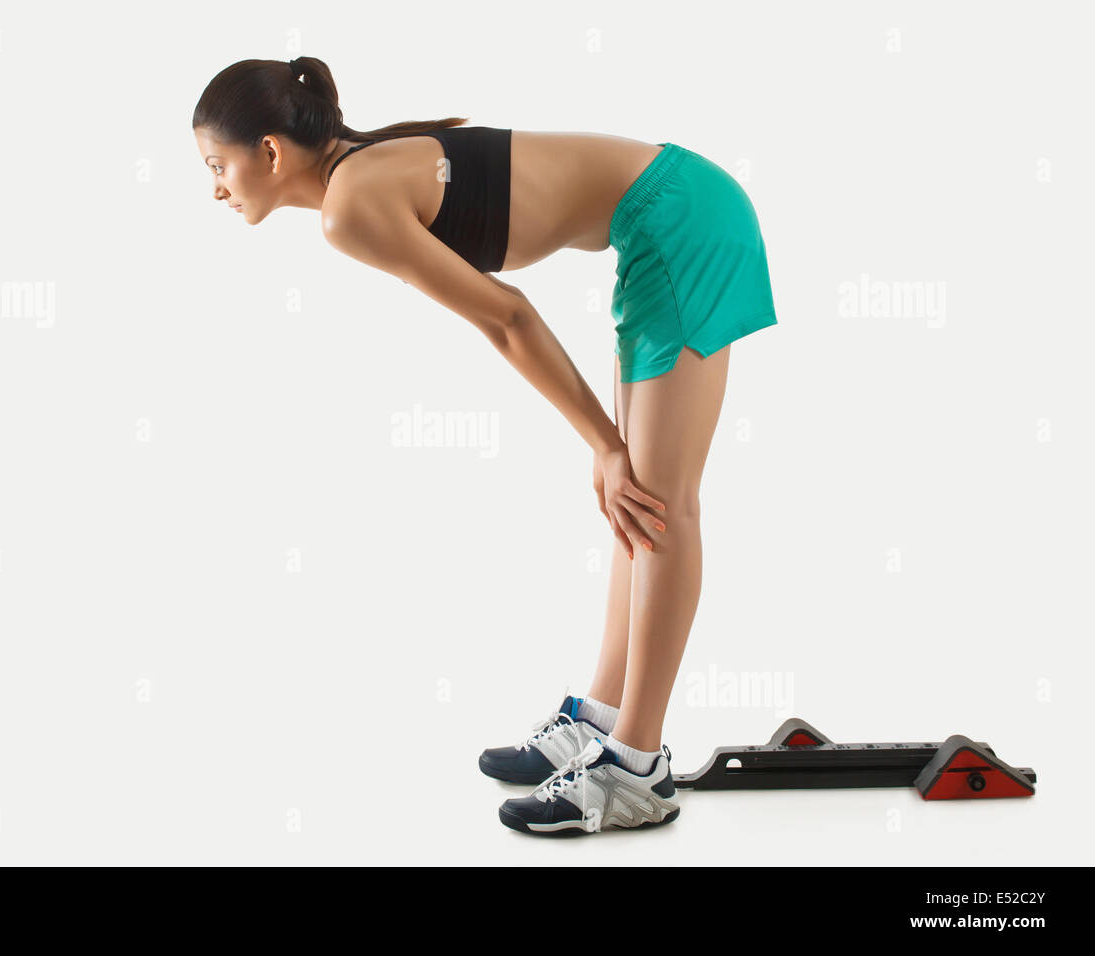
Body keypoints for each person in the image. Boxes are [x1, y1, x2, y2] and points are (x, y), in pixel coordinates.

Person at [192, 56, 779, 835]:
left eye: (217, 166)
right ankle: (603, 719)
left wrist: (602, 446)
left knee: (657, 502)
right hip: (669, 213)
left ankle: (636, 767)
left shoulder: (351, 206)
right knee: (640, 497)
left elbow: (509, 318)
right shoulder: (360, 172)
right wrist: (607, 450)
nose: (216, 189)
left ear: (270, 153)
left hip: (683, 220)